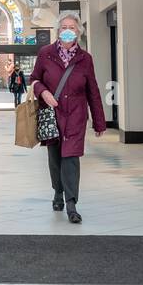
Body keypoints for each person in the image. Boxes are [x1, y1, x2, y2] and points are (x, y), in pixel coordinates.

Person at [29, 11, 106, 224]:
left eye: (72, 28)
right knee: (55, 158)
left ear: (78, 32)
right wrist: (43, 92)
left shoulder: (85, 59)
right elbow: (34, 79)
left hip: (75, 115)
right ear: (58, 31)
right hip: (51, 115)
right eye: (64, 27)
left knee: (70, 158)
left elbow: (93, 90)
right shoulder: (45, 54)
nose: (68, 31)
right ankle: (57, 192)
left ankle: (71, 203)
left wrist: (99, 121)